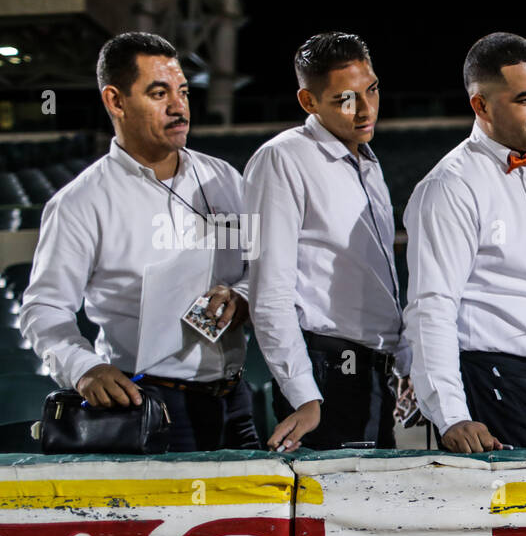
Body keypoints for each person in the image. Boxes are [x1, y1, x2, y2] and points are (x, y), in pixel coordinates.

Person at [20, 31, 256, 451]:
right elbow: (44, 308)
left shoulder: (225, 179)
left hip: (235, 401)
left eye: (182, 91)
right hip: (151, 406)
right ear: (115, 101)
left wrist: (240, 294)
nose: (178, 106)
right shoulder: (80, 203)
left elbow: (259, 268)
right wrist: (84, 368)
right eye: (159, 93)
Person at [403, 32, 526, 453]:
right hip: (488, 380)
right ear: (481, 105)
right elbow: (430, 306)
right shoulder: (449, 186)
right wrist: (452, 414)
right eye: (525, 98)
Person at [245, 32, 411, 452]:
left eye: (371, 90)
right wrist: (304, 393)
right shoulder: (282, 158)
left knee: (372, 511)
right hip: (327, 374)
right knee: (339, 514)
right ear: (308, 102)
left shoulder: (366, 161)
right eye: (344, 100)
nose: (365, 109)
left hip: (373, 372)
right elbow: (269, 293)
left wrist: (403, 363)